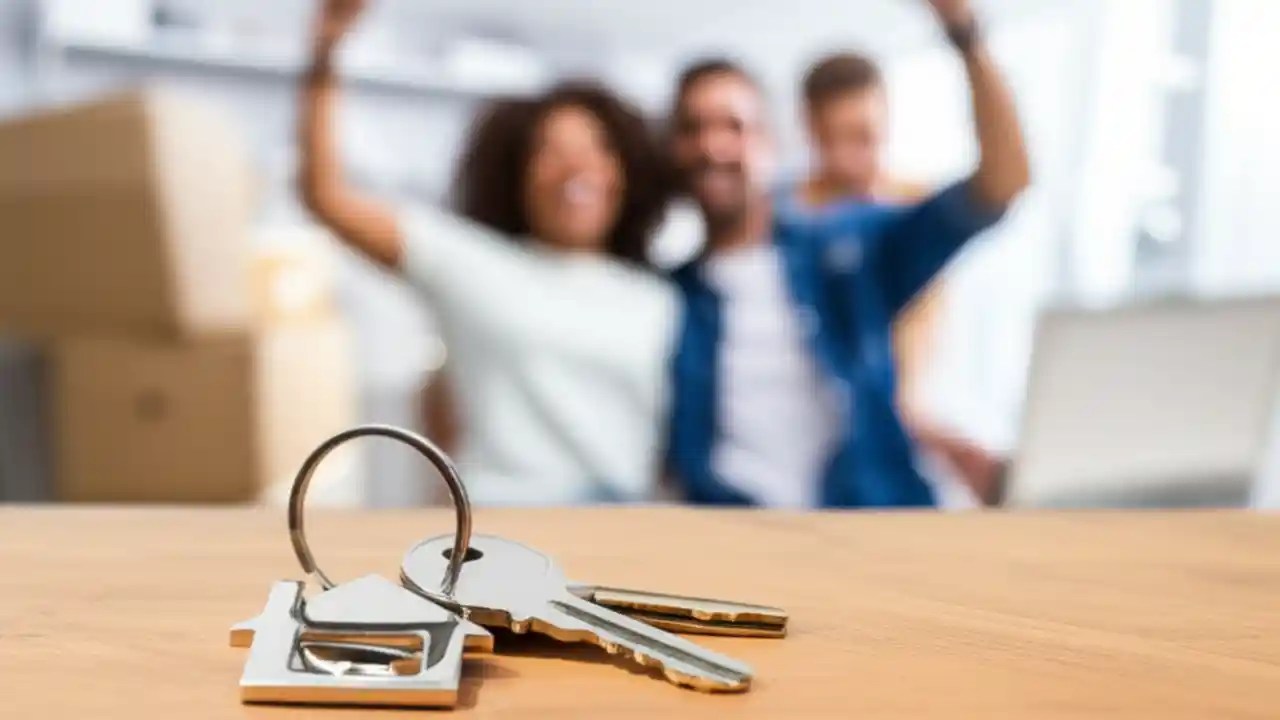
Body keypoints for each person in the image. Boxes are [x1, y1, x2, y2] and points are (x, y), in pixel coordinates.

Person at [301, 0, 678, 505]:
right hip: (503, 519)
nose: (576, 166)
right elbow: (327, 197)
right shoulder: (472, 263)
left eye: (598, 148)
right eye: (551, 151)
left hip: (623, 524)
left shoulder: (660, 297)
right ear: (517, 174)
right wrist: (326, 53)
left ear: (626, 173)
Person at [666, 0, 1030, 508]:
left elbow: (1002, 184)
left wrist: (965, 35)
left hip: (871, 521)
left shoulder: (845, 246)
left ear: (770, 141)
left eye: (734, 126)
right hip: (735, 534)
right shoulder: (666, 300)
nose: (713, 146)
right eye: (693, 128)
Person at [795, 52, 1006, 504]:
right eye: (833, 139)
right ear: (808, 128)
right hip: (838, 455)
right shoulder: (789, 230)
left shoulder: (915, 214)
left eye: (865, 137)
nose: (851, 160)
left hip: (928, 435)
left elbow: (1004, 184)